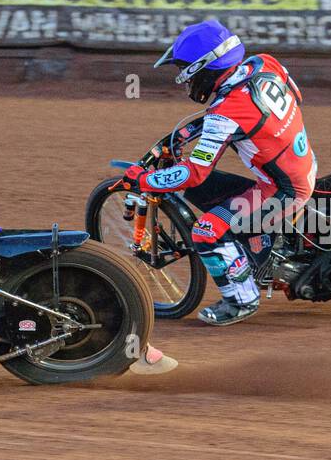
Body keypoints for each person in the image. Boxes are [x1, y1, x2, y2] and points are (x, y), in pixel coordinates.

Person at [112, 19, 317, 326]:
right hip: (299, 165)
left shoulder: (226, 113)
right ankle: (253, 244)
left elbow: (194, 173)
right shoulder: (264, 63)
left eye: (185, 72)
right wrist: (184, 135)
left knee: (205, 231)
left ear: (204, 69)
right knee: (207, 194)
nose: (184, 82)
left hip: (283, 191)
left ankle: (241, 300)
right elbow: (291, 99)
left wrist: (143, 180)